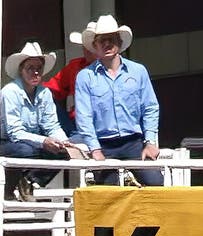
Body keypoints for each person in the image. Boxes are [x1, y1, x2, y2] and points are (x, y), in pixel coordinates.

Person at [74, 14, 163, 186]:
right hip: (104, 144)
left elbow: (150, 107)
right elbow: (83, 117)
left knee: (157, 184)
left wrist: (150, 142)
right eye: (102, 40)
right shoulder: (85, 77)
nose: (107, 44)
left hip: (134, 141)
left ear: (119, 43)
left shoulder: (138, 71)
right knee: (109, 195)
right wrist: (95, 149)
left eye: (111, 39)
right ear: (95, 46)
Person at [0, 42, 73, 201]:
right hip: (6, 141)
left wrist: (65, 142)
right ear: (21, 70)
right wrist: (44, 141)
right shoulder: (9, 92)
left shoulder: (45, 93)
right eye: (30, 68)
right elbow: (14, 132)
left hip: (31, 141)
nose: (35, 72)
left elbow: (51, 125)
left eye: (38, 68)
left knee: (64, 152)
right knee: (24, 151)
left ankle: (29, 181)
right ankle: (11, 188)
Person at [43, 23, 96, 140]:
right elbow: (53, 87)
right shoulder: (75, 66)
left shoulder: (111, 70)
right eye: (84, 46)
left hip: (101, 125)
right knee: (43, 97)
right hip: (75, 123)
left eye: (90, 46)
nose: (86, 50)